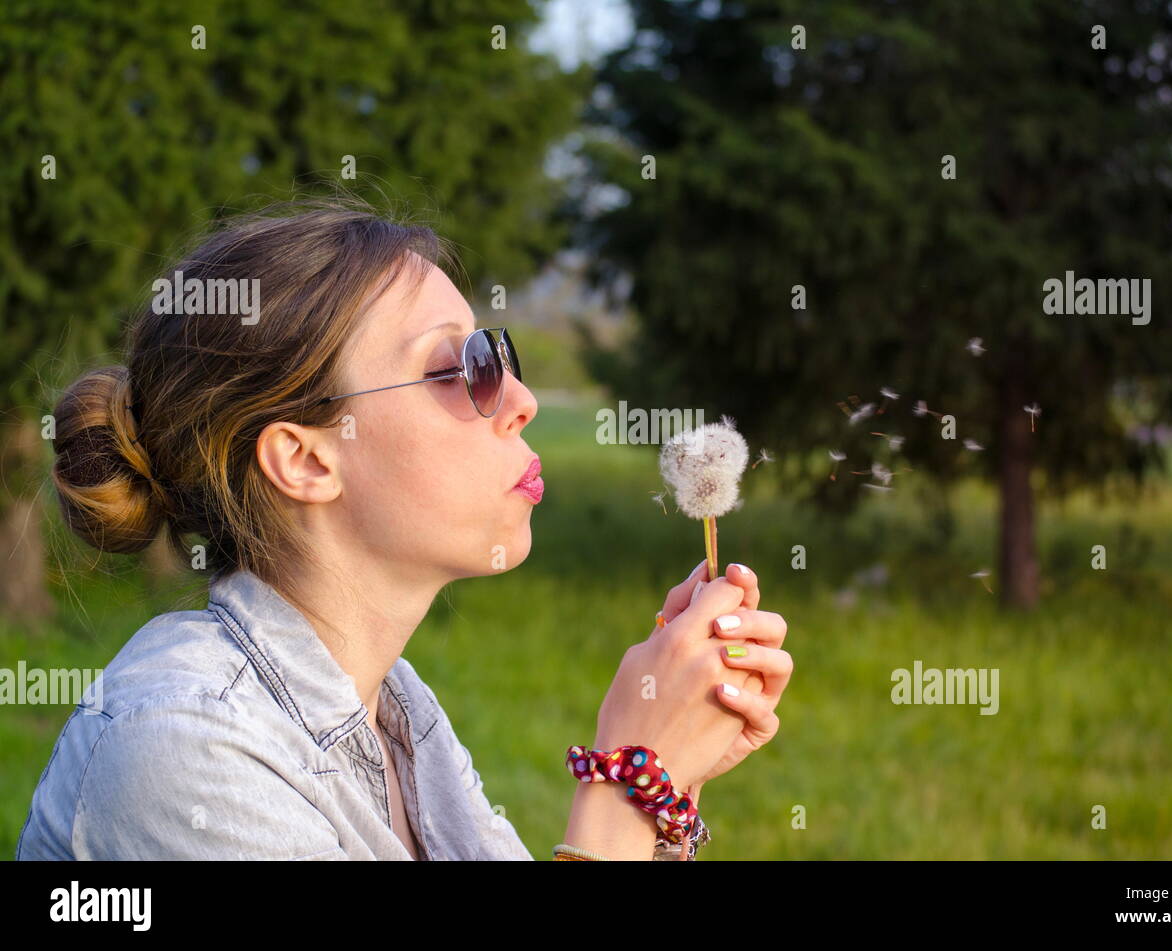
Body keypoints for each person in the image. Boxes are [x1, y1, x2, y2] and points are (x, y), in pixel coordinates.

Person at [17, 199, 792, 860]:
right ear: (305, 459)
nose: (519, 398)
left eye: (498, 354)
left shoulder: (397, 711)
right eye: (459, 369)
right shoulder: (182, 744)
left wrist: (667, 790)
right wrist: (630, 777)